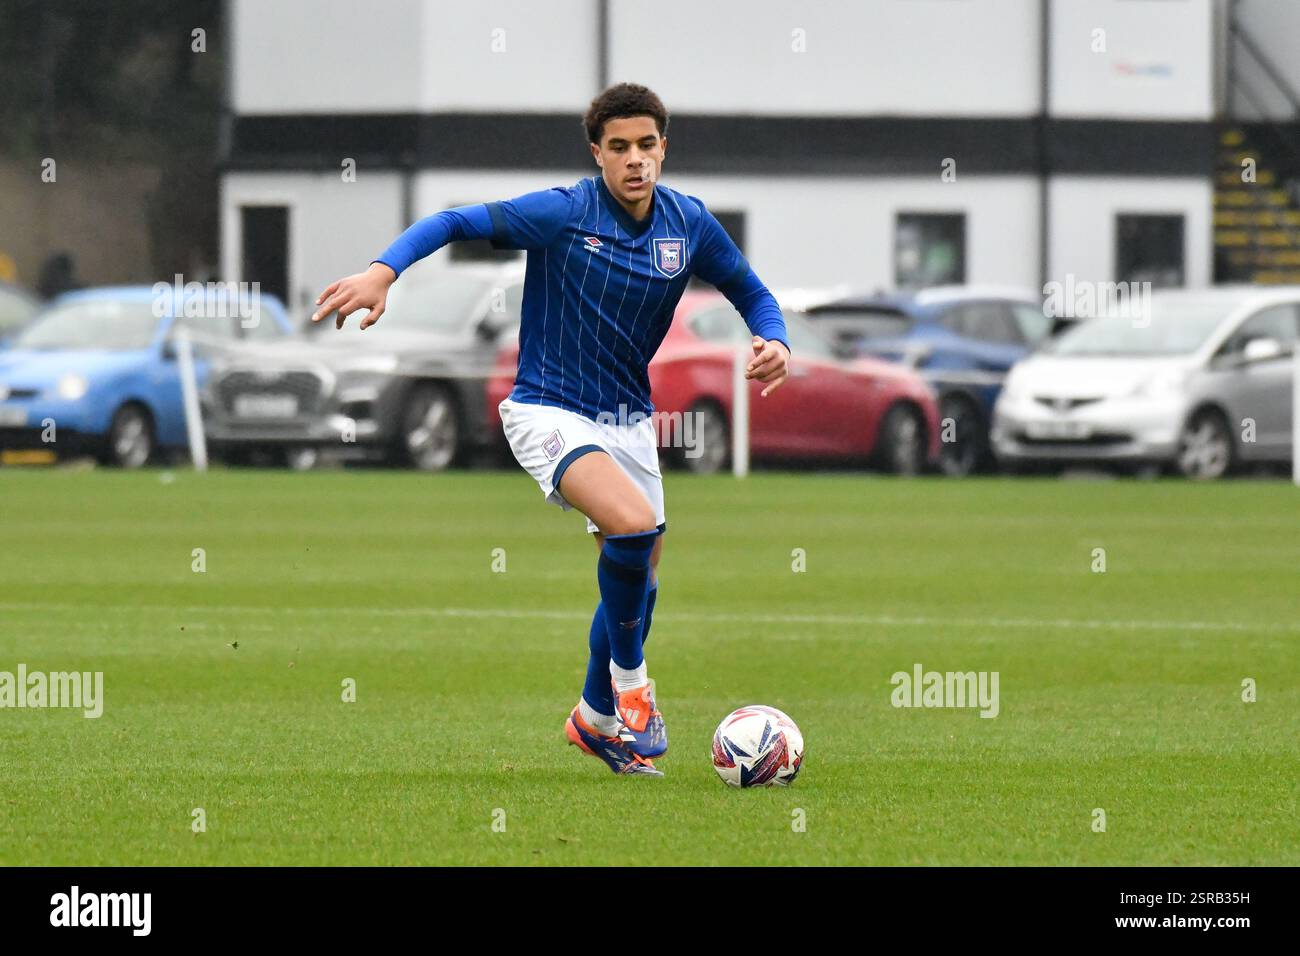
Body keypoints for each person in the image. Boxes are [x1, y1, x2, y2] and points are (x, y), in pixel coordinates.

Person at [311, 83, 790, 776]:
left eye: (646, 145)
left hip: (626, 418)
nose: (634, 160)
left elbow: (751, 291)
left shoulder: (687, 224)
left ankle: (593, 719)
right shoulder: (563, 212)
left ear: (664, 148)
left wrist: (773, 338)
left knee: (640, 580)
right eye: (618, 147)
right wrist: (384, 272)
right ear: (597, 153)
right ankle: (632, 690)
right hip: (546, 408)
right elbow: (453, 222)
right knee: (630, 528)